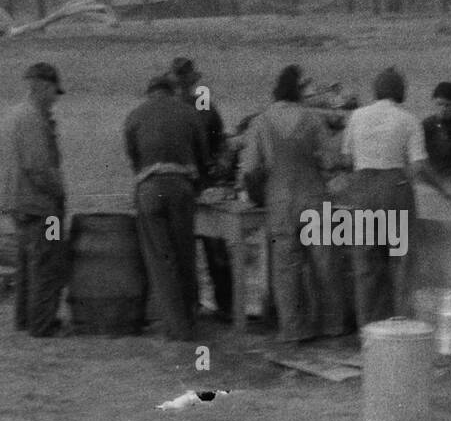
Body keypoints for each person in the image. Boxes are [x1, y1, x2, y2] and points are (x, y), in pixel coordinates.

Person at [340, 67, 451, 327]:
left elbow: (347, 159)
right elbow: (419, 166)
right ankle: (400, 326)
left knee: (366, 263)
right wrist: (443, 189)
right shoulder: (408, 120)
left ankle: (369, 330)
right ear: (400, 91)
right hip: (395, 189)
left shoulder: (357, 116)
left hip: (362, 189)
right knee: (402, 261)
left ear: (376, 90)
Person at [240, 65, 346, 343]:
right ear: (299, 91)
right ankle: (332, 325)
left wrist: (258, 193)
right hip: (314, 199)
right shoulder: (312, 120)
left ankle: (292, 329)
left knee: (285, 267)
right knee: (324, 263)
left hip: (280, 202)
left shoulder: (261, 122)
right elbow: (330, 161)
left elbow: (250, 168)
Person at [124, 73, 211, 341]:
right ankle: (190, 319)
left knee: (161, 261)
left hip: (149, 189)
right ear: (172, 91)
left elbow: (134, 159)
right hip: (181, 188)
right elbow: (203, 156)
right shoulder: (189, 113)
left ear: (149, 92)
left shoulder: (134, 116)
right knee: (185, 255)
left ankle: (177, 327)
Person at [0, 62, 69, 338]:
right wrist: (59, 191)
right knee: (47, 262)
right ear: (42, 87)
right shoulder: (32, 119)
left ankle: (25, 319)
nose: (55, 99)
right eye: (53, 92)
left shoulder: (15, 115)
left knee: (28, 263)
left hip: (19, 202)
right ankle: (42, 324)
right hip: (42, 206)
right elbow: (38, 168)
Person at [168, 56, 234, 320]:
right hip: (190, 184)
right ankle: (202, 306)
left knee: (209, 251)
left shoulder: (202, 106)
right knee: (194, 252)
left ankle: (221, 306)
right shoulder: (178, 107)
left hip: (200, 185)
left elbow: (220, 143)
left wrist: (220, 165)